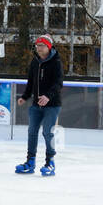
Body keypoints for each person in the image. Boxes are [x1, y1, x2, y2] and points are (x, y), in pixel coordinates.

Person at [16, 35, 64, 176]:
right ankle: (30, 161)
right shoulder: (35, 62)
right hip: (36, 105)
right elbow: (31, 82)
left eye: (41, 45)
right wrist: (24, 97)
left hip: (52, 105)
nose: (38, 48)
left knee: (47, 133)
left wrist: (48, 96)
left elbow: (58, 83)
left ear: (48, 47)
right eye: (37, 46)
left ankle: (50, 162)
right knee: (32, 132)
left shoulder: (56, 62)